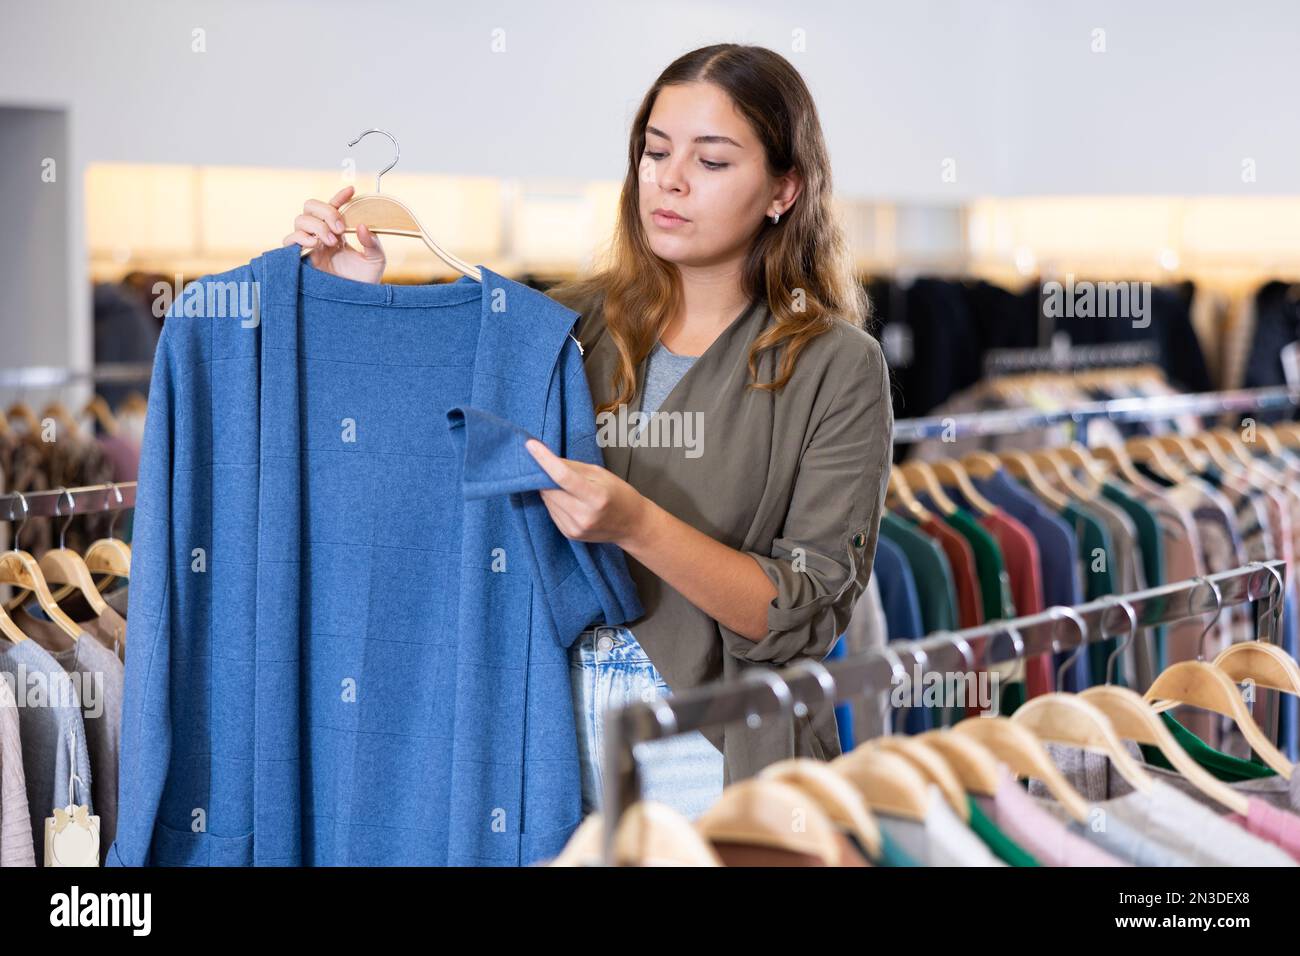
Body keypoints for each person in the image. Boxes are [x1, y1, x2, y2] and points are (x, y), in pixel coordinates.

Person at [283, 43, 894, 822]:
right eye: (655, 150)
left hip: (709, 748)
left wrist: (636, 524)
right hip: (533, 723)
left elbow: (797, 613)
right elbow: (401, 453)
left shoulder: (836, 367)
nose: (669, 180)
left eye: (711, 161)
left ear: (784, 189)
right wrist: (357, 305)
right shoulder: (557, 327)